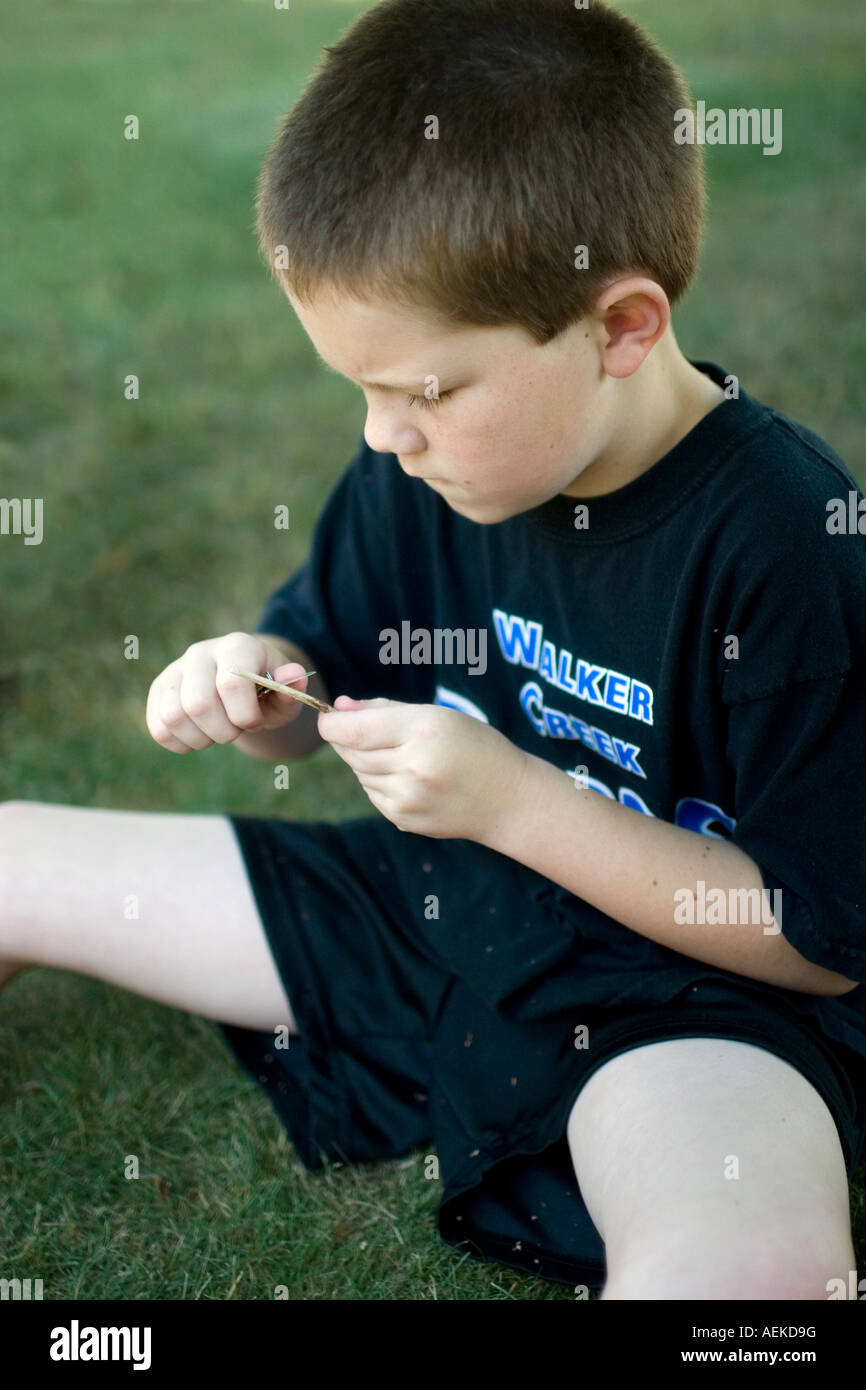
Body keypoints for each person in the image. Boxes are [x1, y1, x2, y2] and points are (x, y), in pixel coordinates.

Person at [3, 0, 865, 1299]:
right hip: (444, 907)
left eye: (423, 391)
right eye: (359, 388)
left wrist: (515, 800)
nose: (380, 437)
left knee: (750, 1269)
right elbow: (321, 668)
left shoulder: (786, 540)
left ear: (621, 327)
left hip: (699, 1009)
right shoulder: (427, 473)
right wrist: (263, 683)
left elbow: (820, 936)